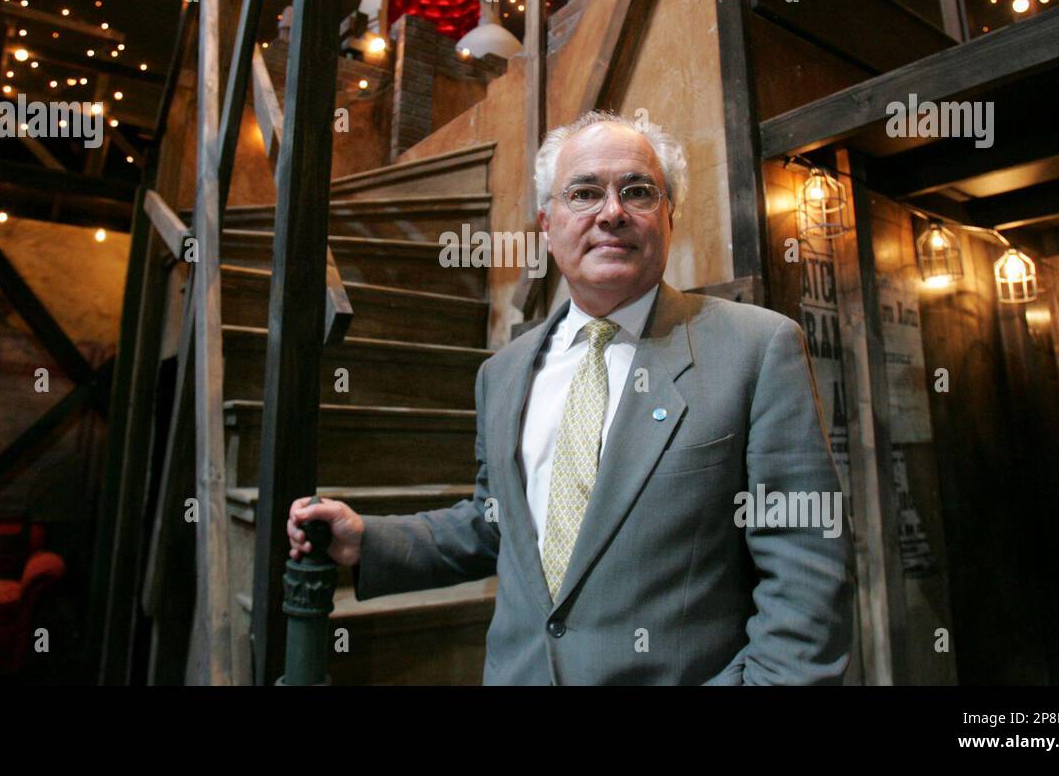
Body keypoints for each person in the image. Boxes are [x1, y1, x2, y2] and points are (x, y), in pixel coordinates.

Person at [288, 110, 854, 685]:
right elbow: (496, 522)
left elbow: (807, 584)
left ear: (669, 215)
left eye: (638, 191)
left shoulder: (756, 349)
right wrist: (371, 541)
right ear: (546, 223)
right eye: (584, 193)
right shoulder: (503, 373)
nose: (612, 212)